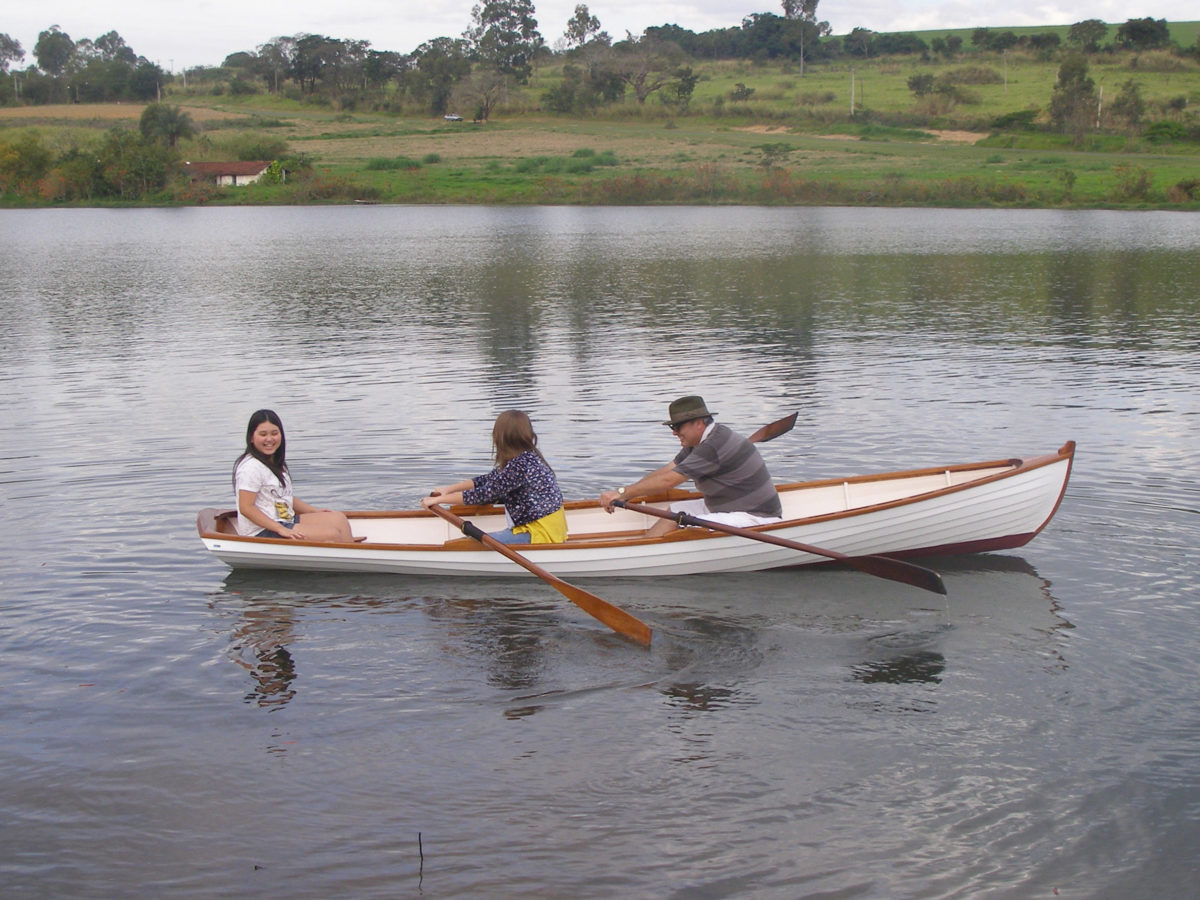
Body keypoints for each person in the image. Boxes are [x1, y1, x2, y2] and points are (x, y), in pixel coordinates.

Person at [599, 395, 783, 537]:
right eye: (672, 427)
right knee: (675, 511)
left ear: (699, 423)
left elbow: (669, 480)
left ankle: (641, 558)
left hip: (755, 516)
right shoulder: (699, 443)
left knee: (680, 521)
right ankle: (642, 551)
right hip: (723, 508)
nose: (674, 433)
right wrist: (626, 493)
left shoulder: (712, 446)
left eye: (678, 427)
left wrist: (624, 493)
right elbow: (667, 470)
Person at [421, 410, 567, 544]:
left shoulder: (520, 465)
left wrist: (439, 500)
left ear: (501, 438)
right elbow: (486, 480)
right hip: (548, 527)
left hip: (538, 532)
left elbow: (484, 494)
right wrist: (449, 489)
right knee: (469, 542)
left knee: (467, 544)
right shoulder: (527, 457)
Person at [232, 409, 356, 542]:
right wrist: (280, 529)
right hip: (262, 530)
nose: (269, 439)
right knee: (332, 534)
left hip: (285, 520)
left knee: (338, 518)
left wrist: (313, 511)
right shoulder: (251, 467)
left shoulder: (274, 462)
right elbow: (246, 508)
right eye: (263, 434)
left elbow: (284, 495)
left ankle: (352, 551)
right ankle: (345, 550)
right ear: (251, 437)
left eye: (274, 433)